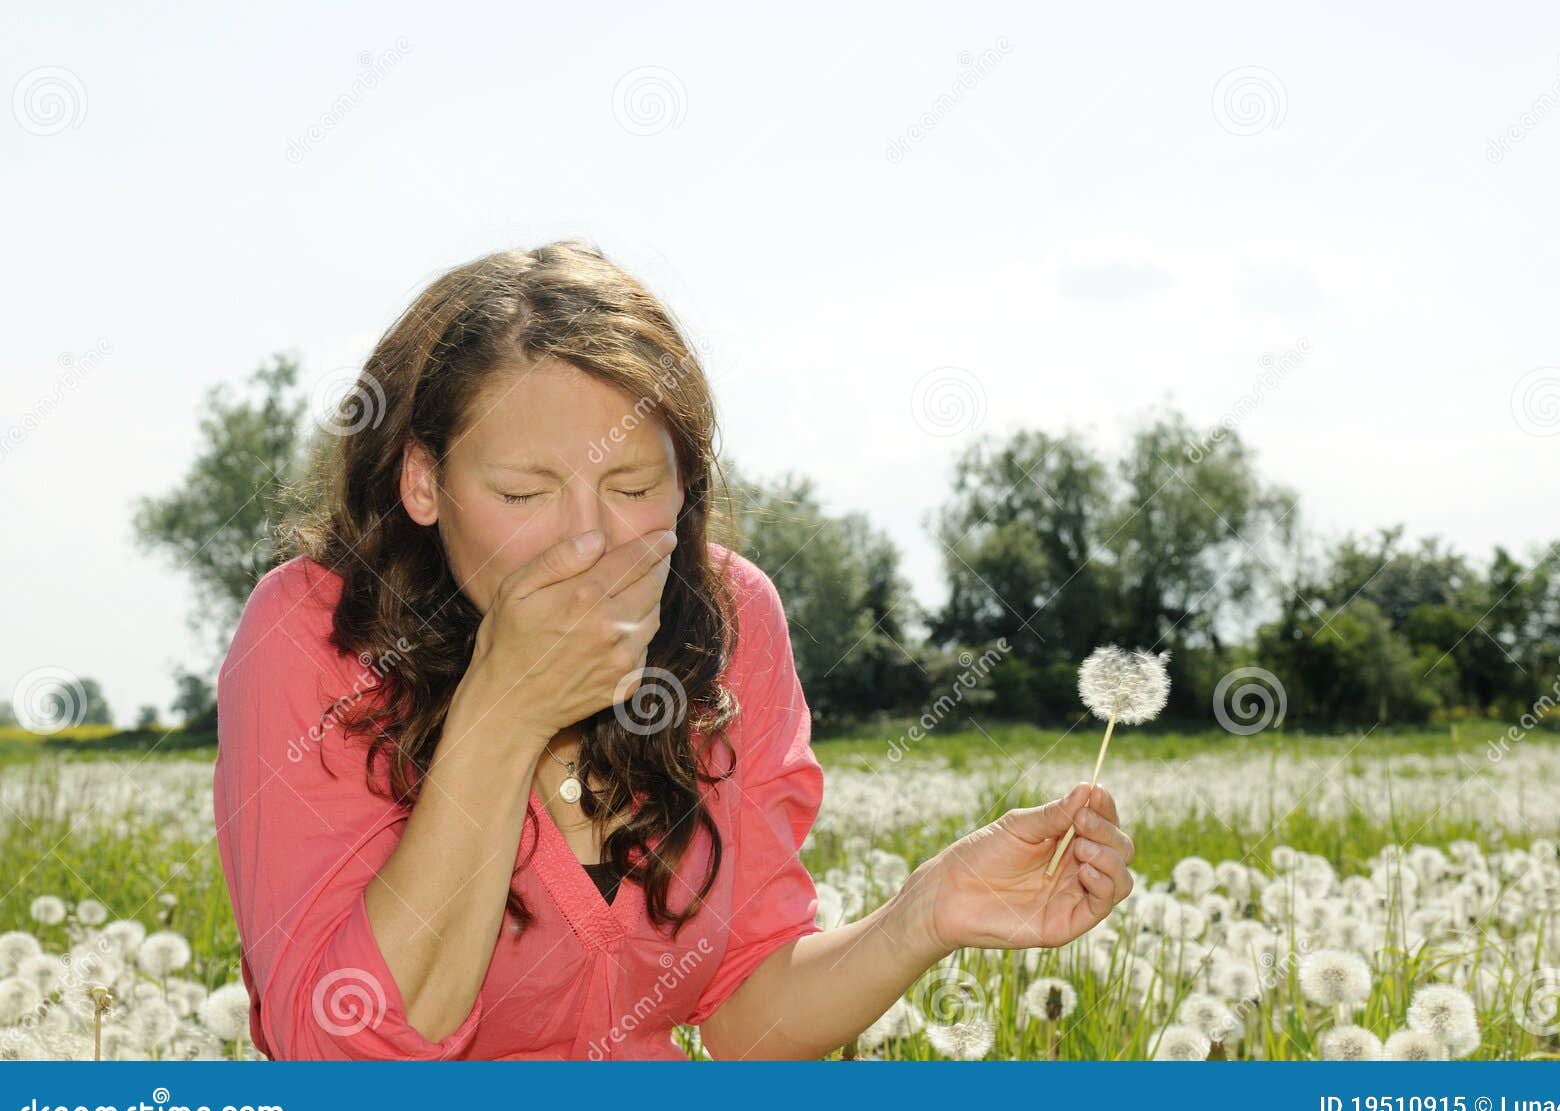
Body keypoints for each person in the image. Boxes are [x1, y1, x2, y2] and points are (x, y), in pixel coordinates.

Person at [212, 239, 1135, 1061]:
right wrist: (504, 714)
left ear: (686, 480)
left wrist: (926, 914)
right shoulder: (315, 635)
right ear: (423, 479)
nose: (589, 542)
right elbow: (344, 1052)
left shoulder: (731, 622)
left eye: (633, 485)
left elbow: (745, 1013)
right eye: (524, 494)